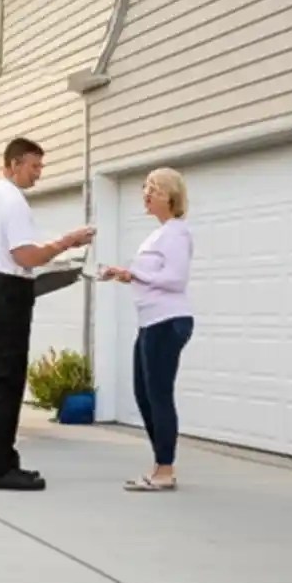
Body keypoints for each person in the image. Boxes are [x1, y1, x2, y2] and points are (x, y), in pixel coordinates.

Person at [0, 137, 95, 491]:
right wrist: (67, 242)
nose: (38, 174)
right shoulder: (10, 198)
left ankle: (3, 461)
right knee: (6, 383)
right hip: (7, 291)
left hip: (0, 289)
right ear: (13, 163)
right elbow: (25, 256)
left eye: (41, 168)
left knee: (5, 381)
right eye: (33, 166)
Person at [100, 166, 194, 492]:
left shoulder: (177, 232)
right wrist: (125, 274)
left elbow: (176, 279)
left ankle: (165, 470)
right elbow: (152, 275)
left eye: (152, 190)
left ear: (169, 197)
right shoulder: (159, 233)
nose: (146, 195)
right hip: (150, 323)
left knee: (158, 395)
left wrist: (136, 275)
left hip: (167, 323)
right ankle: (159, 465)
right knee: (143, 395)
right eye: (145, 188)